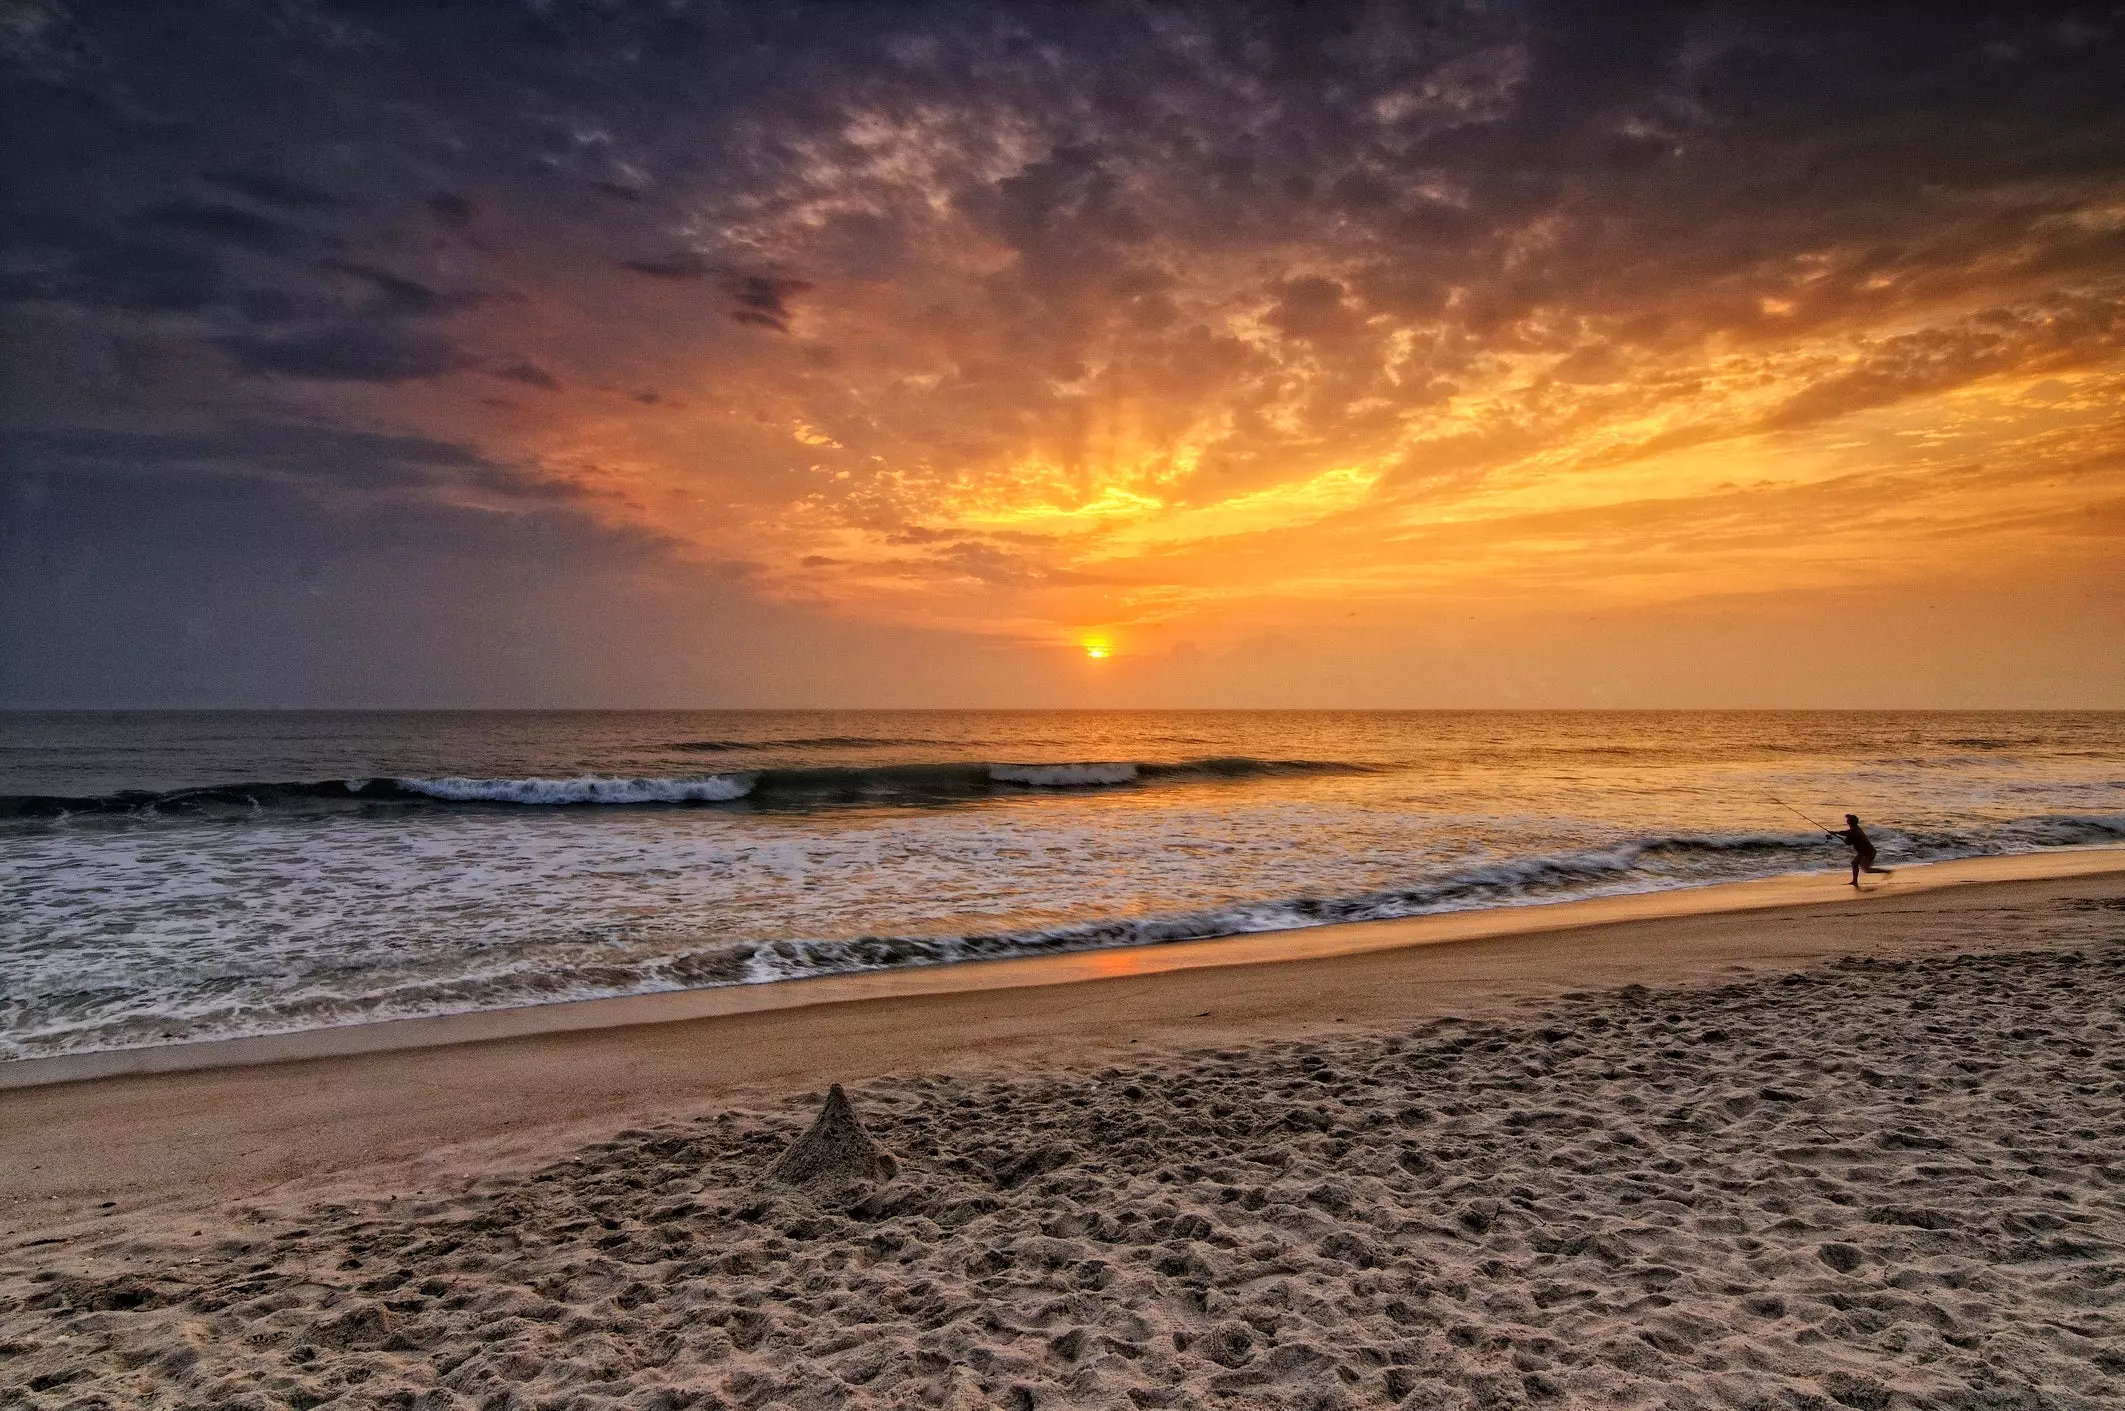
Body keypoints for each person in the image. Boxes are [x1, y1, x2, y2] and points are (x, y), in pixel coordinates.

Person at [1828, 814, 1893, 887]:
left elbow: (1847, 842)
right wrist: (1835, 833)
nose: (1847, 821)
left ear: (1849, 822)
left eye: (1848, 820)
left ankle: (1886, 871)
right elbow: (1845, 833)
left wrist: (1835, 833)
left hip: (1868, 852)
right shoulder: (1856, 829)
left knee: (1866, 869)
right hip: (1866, 851)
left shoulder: (1853, 831)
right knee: (1854, 863)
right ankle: (1855, 881)